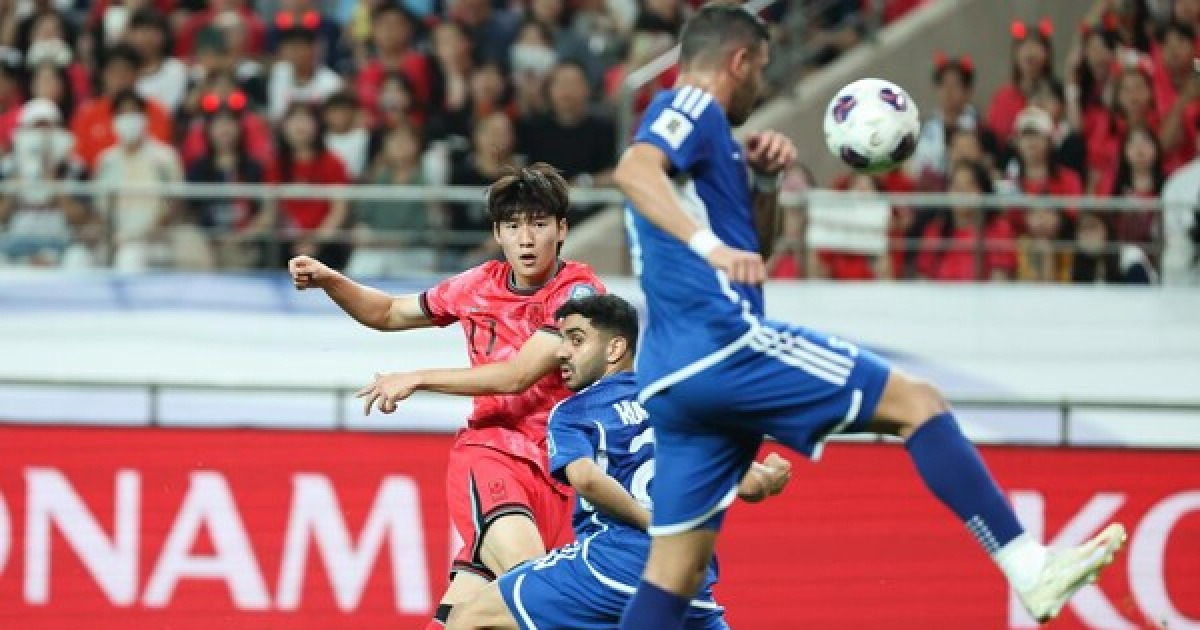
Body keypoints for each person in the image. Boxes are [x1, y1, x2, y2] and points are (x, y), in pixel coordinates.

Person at [611, 7, 1125, 629]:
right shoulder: (690, 106)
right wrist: (709, 248)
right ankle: (1028, 568)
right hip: (720, 346)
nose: (762, 85)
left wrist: (765, 189)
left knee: (676, 573)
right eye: (763, 69)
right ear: (738, 61)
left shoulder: (718, 141)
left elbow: (756, 254)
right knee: (918, 401)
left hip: (672, 378)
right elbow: (633, 170)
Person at [287, 163, 604, 630]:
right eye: (513, 226)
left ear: (561, 229)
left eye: (538, 224)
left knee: (466, 619)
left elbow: (517, 376)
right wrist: (332, 280)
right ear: (498, 233)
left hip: (558, 477)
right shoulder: (476, 285)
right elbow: (390, 312)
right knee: (537, 595)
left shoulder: (578, 292)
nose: (526, 238)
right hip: (493, 457)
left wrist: (417, 377)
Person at [446, 293, 793, 630]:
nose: (562, 352)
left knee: (469, 618)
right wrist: (772, 475)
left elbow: (585, 477)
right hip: (687, 576)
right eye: (563, 340)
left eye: (576, 340)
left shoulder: (574, 411)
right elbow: (752, 485)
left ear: (615, 348)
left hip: (612, 565)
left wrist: (651, 523)